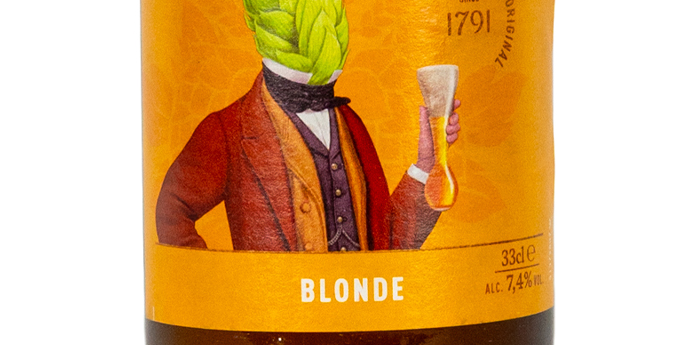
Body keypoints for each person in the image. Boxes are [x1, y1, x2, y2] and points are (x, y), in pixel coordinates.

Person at [156, 61, 461, 253]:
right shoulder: (228, 128)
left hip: (365, 317)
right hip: (278, 320)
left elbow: (386, 243)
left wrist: (426, 165)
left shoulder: (350, 122)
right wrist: (215, 286)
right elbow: (172, 210)